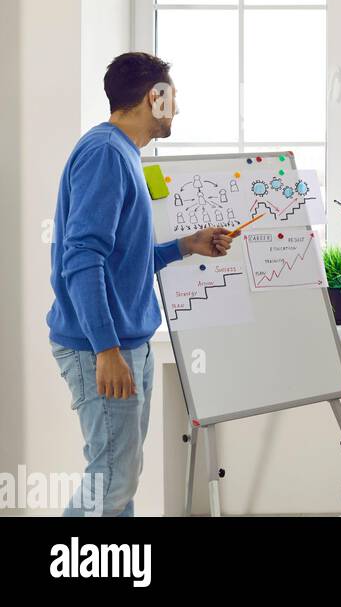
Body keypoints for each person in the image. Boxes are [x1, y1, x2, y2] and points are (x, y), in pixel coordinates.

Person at [48, 52, 233, 517]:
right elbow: (83, 258)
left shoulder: (121, 152)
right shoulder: (106, 154)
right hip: (102, 347)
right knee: (111, 480)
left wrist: (185, 246)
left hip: (127, 342)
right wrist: (106, 349)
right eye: (173, 99)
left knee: (119, 477)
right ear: (155, 97)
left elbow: (121, 259)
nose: (177, 110)